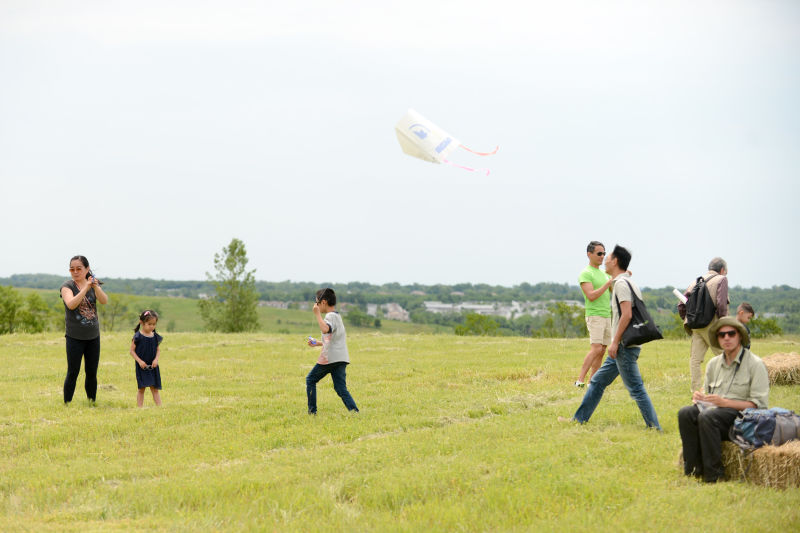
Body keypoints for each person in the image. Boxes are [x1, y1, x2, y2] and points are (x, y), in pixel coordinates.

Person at [564, 245, 661, 429]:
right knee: (597, 381)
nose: (605, 260)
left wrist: (615, 342)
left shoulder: (622, 285)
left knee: (636, 389)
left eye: (607, 256)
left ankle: (654, 427)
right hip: (623, 346)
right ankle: (579, 420)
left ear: (615, 261)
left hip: (623, 346)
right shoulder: (627, 282)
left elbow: (627, 315)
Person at [677, 317, 769, 483]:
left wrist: (725, 403)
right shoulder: (713, 364)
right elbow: (707, 393)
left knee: (707, 417)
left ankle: (714, 475)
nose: (726, 338)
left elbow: (758, 406)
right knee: (686, 413)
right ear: (717, 339)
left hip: (744, 419)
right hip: (715, 412)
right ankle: (692, 471)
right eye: (721, 335)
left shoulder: (755, 364)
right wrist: (700, 397)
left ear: (739, 336)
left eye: (731, 334)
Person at [60, 255, 108, 404]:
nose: (75, 272)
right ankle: (67, 403)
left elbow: (104, 301)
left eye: (79, 268)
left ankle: (91, 402)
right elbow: (71, 304)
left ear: (86, 269)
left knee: (91, 372)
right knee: (73, 372)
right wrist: (86, 287)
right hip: (74, 336)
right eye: (72, 269)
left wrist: (94, 286)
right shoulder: (67, 287)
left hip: (93, 336)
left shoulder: (93, 284)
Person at [678, 257, 730, 392]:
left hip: (696, 325)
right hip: (713, 324)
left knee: (695, 360)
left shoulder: (696, 281)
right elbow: (721, 305)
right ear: (722, 270)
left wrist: (689, 319)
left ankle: (696, 391)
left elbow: (681, 304)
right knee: (724, 355)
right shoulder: (722, 279)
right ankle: (727, 387)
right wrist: (724, 324)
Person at [305, 288, 359, 414]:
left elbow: (325, 329)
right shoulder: (337, 316)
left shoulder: (330, 316)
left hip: (330, 358)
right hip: (341, 358)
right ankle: (354, 411)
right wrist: (317, 343)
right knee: (340, 388)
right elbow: (332, 339)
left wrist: (317, 314)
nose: (316, 305)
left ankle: (312, 412)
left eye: (317, 303)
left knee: (310, 379)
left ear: (323, 302)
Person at [574, 241, 614, 387]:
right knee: (596, 348)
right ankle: (580, 380)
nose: (602, 256)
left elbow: (612, 291)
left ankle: (593, 382)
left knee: (602, 350)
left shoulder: (604, 273)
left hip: (606, 315)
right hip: (594, 315)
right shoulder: (586, 273)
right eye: (599, 253)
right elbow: (591, 295)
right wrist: (607, 284)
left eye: (604, 253)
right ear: (589, 254)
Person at [129, 310, 163, 407]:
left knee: (155, 388)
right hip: (142, 367)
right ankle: (140, 408)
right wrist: (140, 361)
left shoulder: (155, 337)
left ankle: (159, 407)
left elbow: (158, 350)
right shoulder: (138, 336)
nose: (152, 326)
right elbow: (131, 351)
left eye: (154, 324)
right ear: (142, 323)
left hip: (153, 366)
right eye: (149, 324)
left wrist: (156, 360)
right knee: (141, 389)